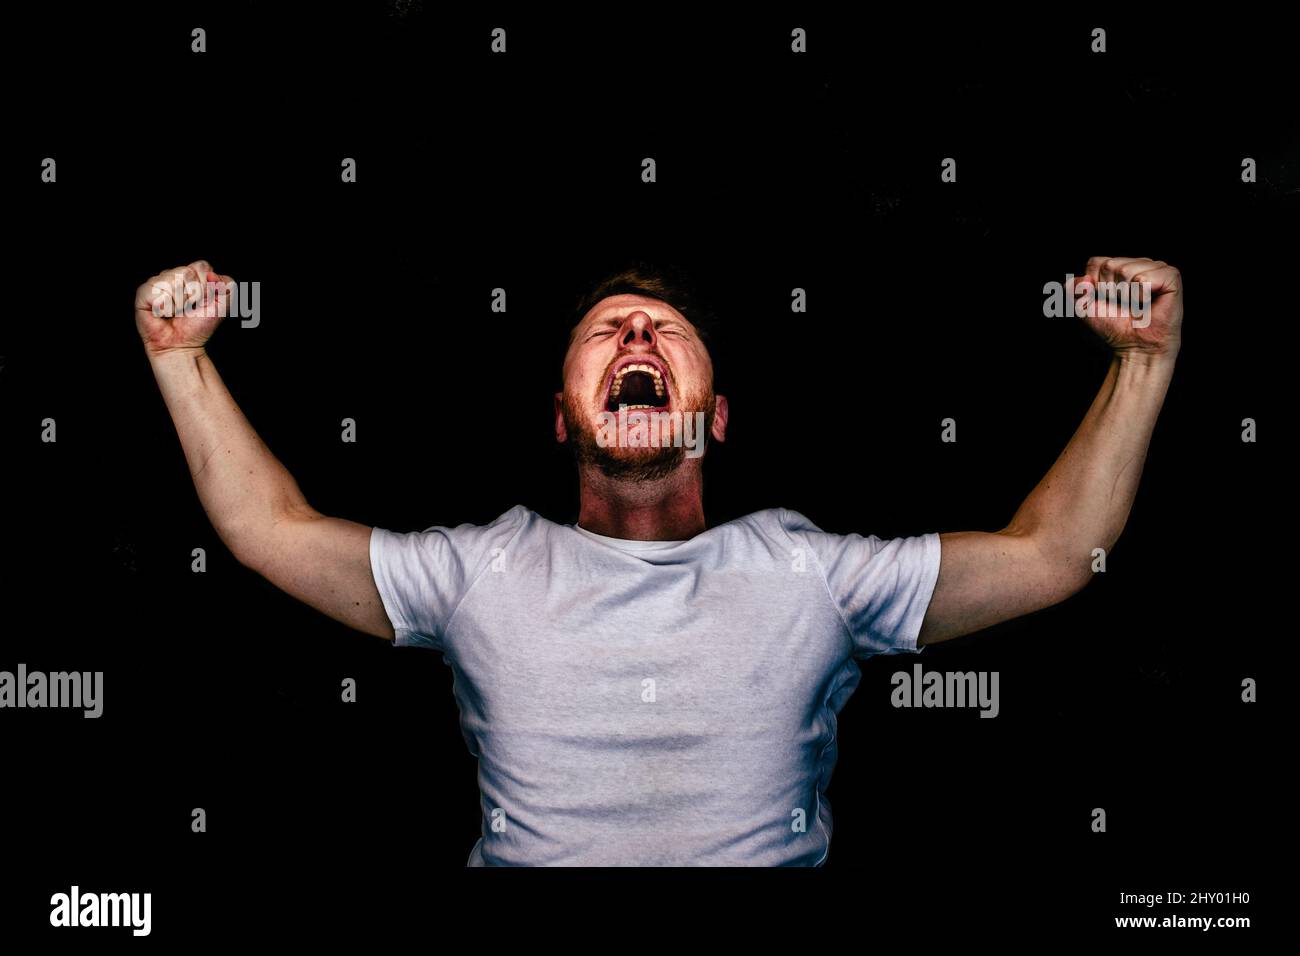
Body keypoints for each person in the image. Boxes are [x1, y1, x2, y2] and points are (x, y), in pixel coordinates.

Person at [134, 256, 1183, 865]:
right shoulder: (480, 569)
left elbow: (1052, 554)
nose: (635, 331)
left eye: (663, 329)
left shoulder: (808, 569)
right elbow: (267, 528)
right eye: (606, 331)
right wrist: (178, 359)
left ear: (713, 414)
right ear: (561, 415)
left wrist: (1144, 361)